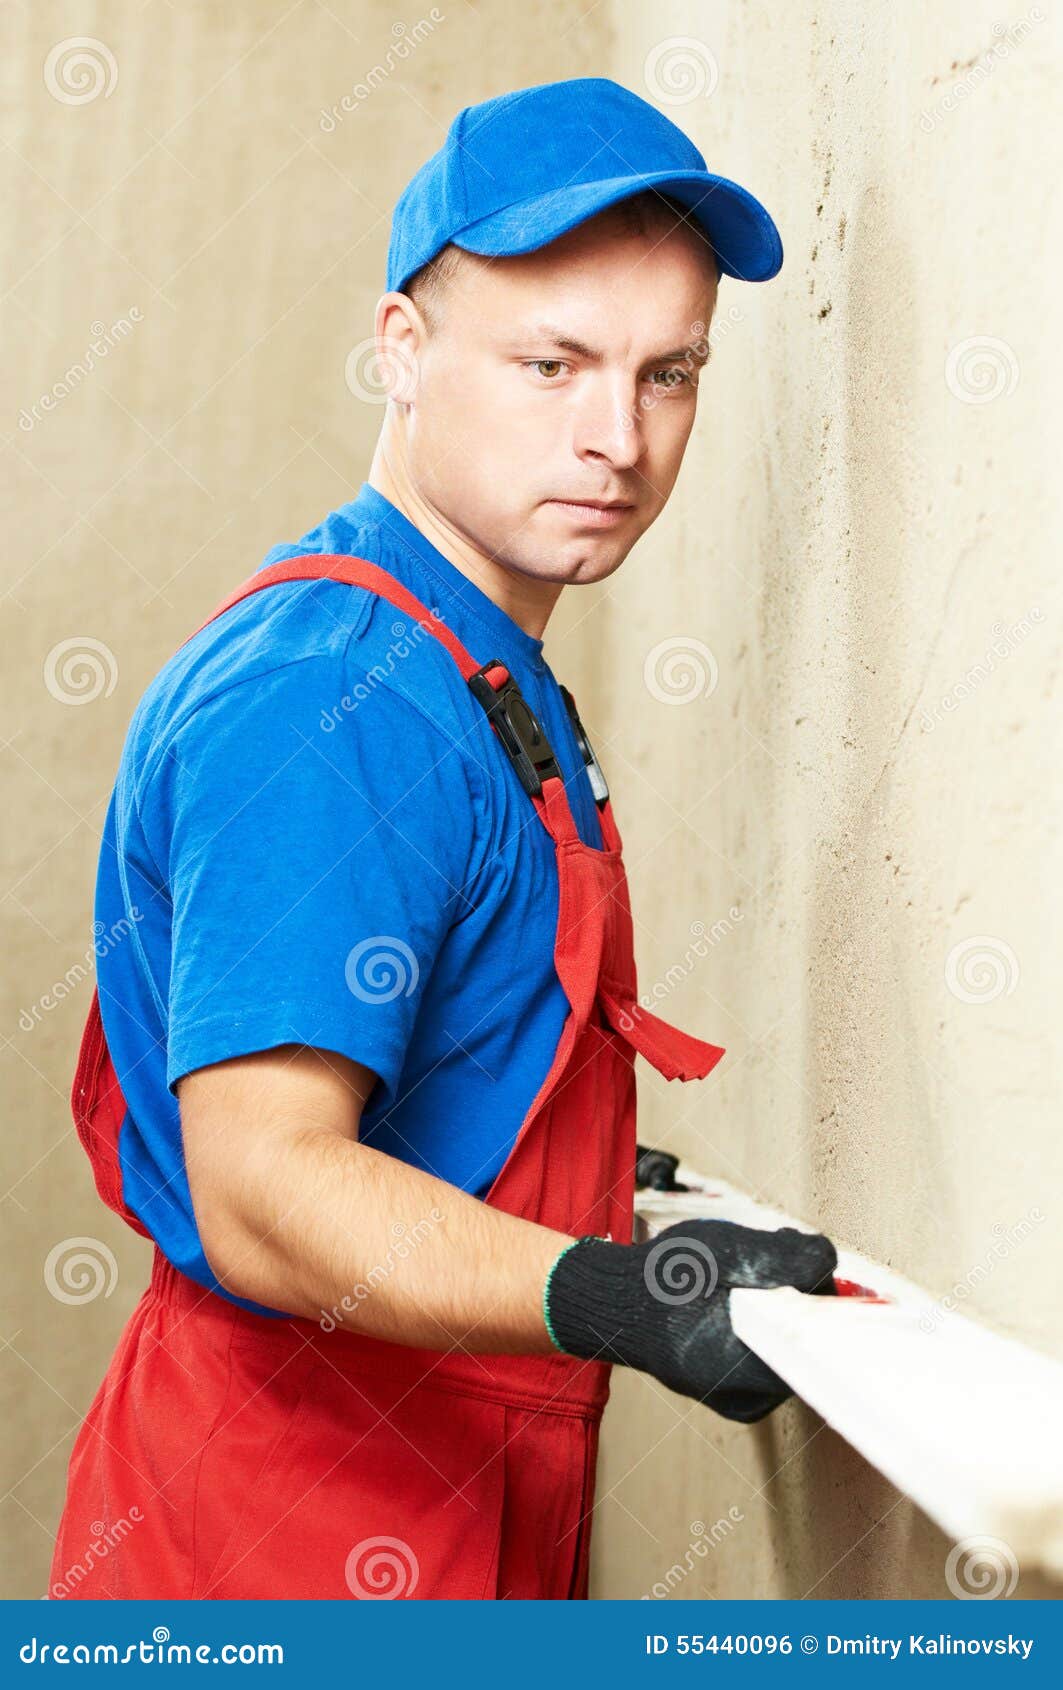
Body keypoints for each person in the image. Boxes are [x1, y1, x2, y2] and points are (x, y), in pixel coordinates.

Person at [52, 76, 837, 1602]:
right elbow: (267, 1184)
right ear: (402, 353)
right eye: (551, 364)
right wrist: (615, 1287)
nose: (617, 436)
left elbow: (442, 1037)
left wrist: (591, 1173)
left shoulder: (471, 663)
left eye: (667, 374)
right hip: (281, 1531)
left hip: (449, 1505)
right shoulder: (330, 695)